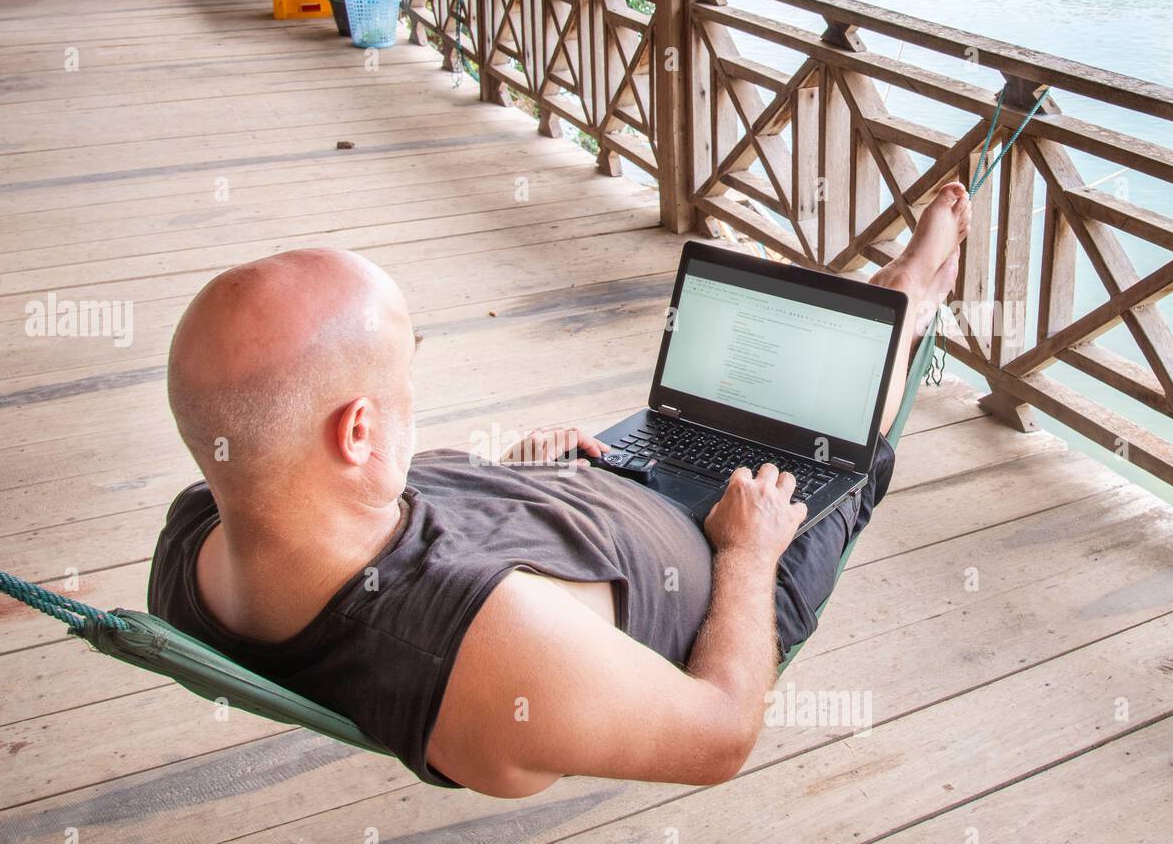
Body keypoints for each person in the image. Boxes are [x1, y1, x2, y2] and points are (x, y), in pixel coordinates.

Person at [149, 183, 972, 797]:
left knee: (736, 407)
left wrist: (515, 481)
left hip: (587, 479)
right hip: (722, 564)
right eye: (408, 363)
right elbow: (719, 740)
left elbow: (404, 540)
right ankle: (908, 297)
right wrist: (751, 553)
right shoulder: (472, 649)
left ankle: (886, 300)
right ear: (357, 432)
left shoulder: (203, 529)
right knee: (842, 450)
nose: (414, 382)